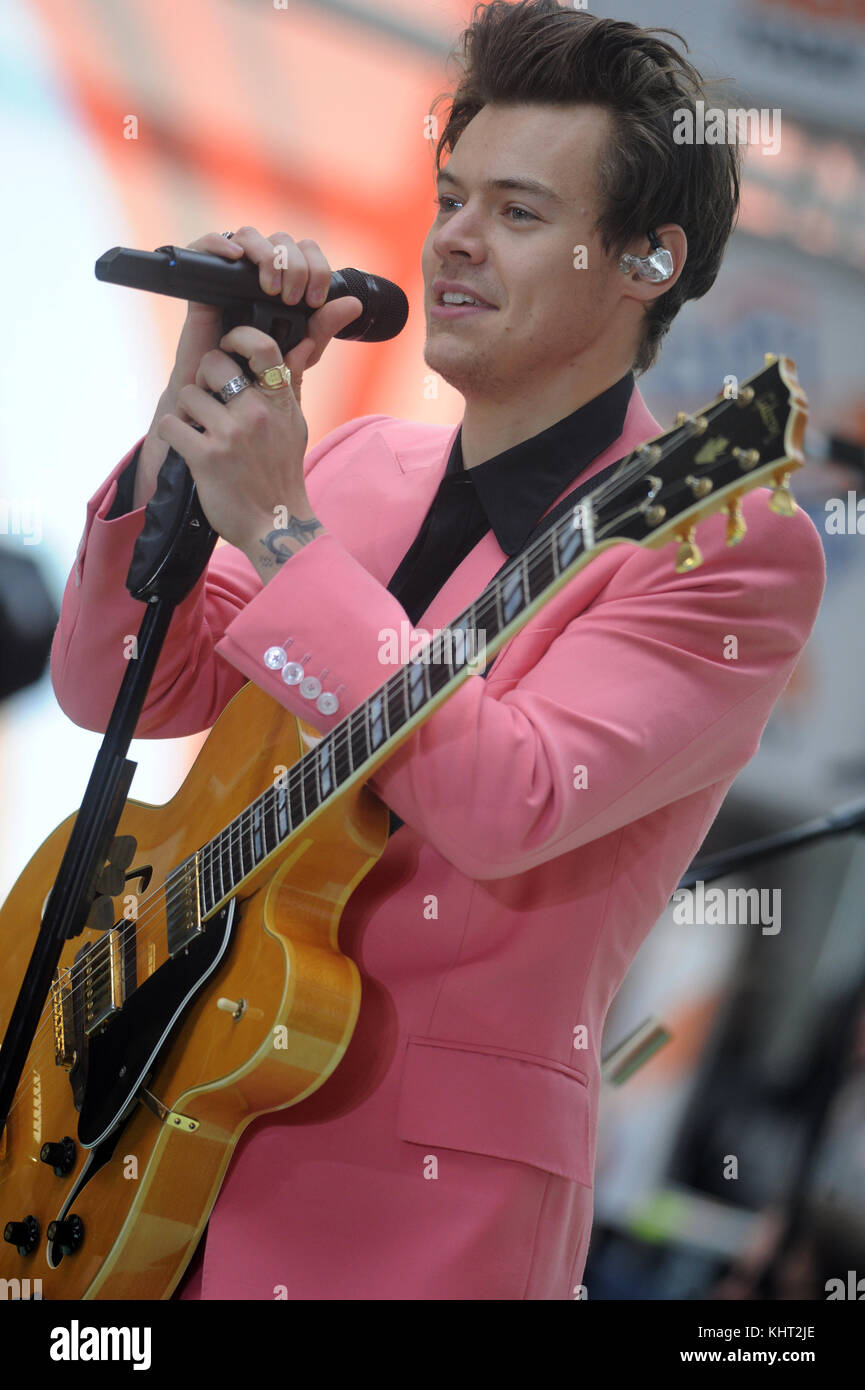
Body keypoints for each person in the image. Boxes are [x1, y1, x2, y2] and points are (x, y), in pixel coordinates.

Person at [51, 0, 825, 1299]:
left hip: (409, 1218)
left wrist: (289, 536)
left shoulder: (730, 546)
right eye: (453, 195)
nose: (454, 238)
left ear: (645, 261)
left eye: (517, 213)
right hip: (144, 1116)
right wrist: (180, 450)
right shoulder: (352, 460)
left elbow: (509, 795)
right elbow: (113, 686)